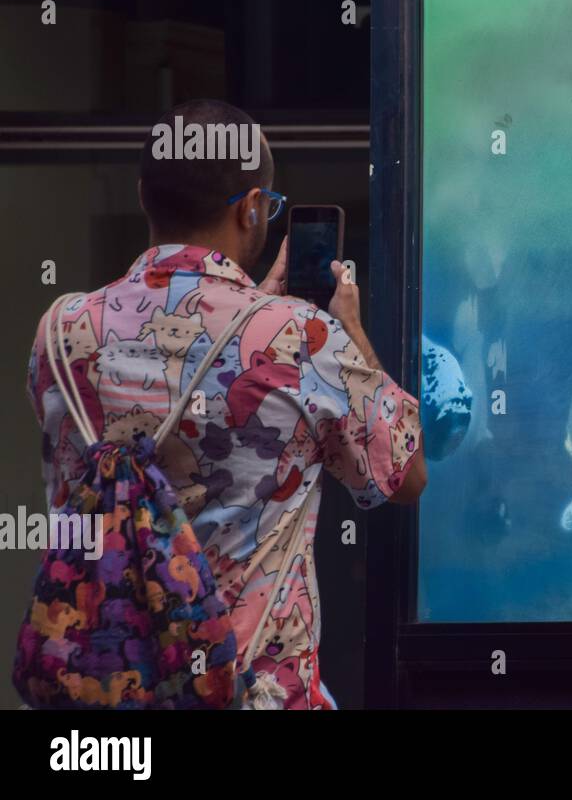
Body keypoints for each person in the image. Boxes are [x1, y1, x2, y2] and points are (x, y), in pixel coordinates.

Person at [25, 99, 426, 709]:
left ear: (142, 195)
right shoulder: (302, 340)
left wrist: (253, 329)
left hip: (107, 699)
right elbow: (404, 475)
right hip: (249, 692)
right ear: (253, 208)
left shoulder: (61, 331)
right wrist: (343, 330)